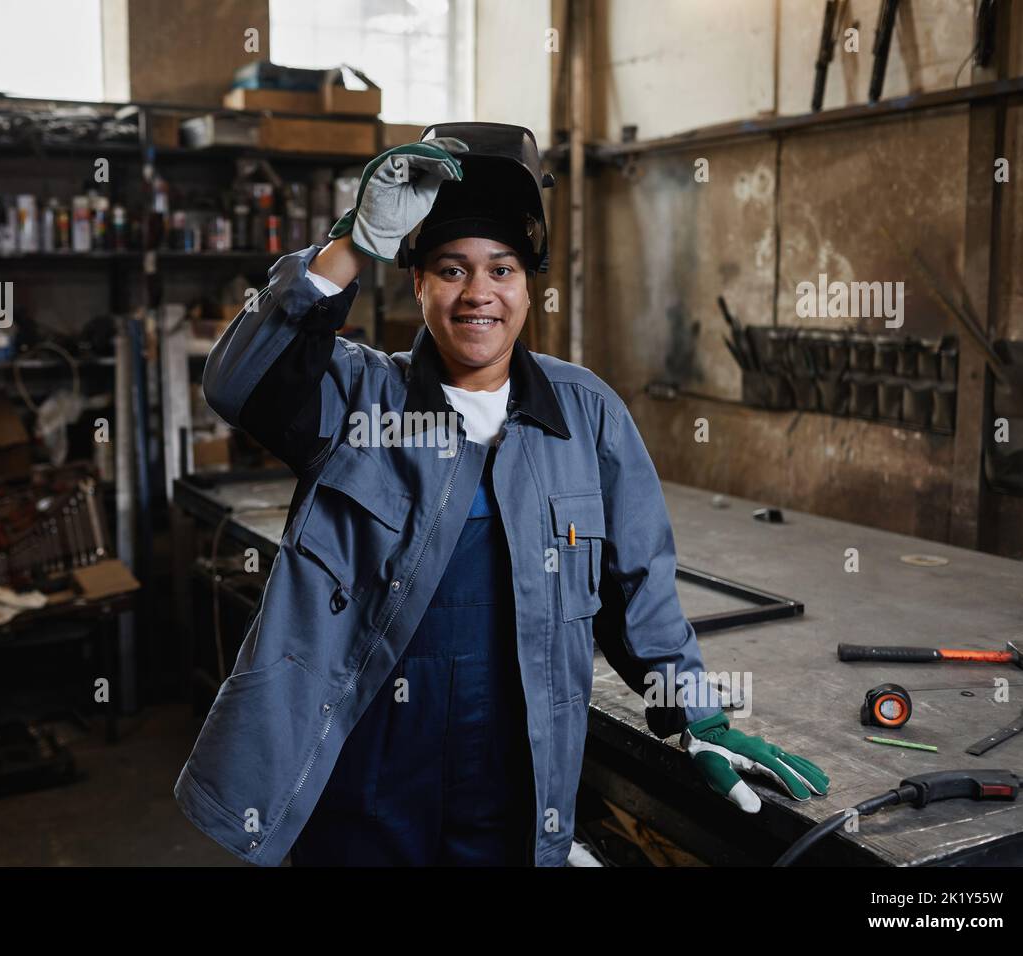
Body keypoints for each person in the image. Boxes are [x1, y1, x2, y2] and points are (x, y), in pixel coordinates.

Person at [173, 123, 828, 867]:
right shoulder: (360, 397)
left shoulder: (588, 416)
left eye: (502, 270)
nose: (478, 293)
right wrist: (351, 244)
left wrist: (698, 719)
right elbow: (237, 384)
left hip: (511, 782)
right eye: (450, 269)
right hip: (362, 779)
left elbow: (640, 592)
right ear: (416, 281)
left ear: (528, 287)